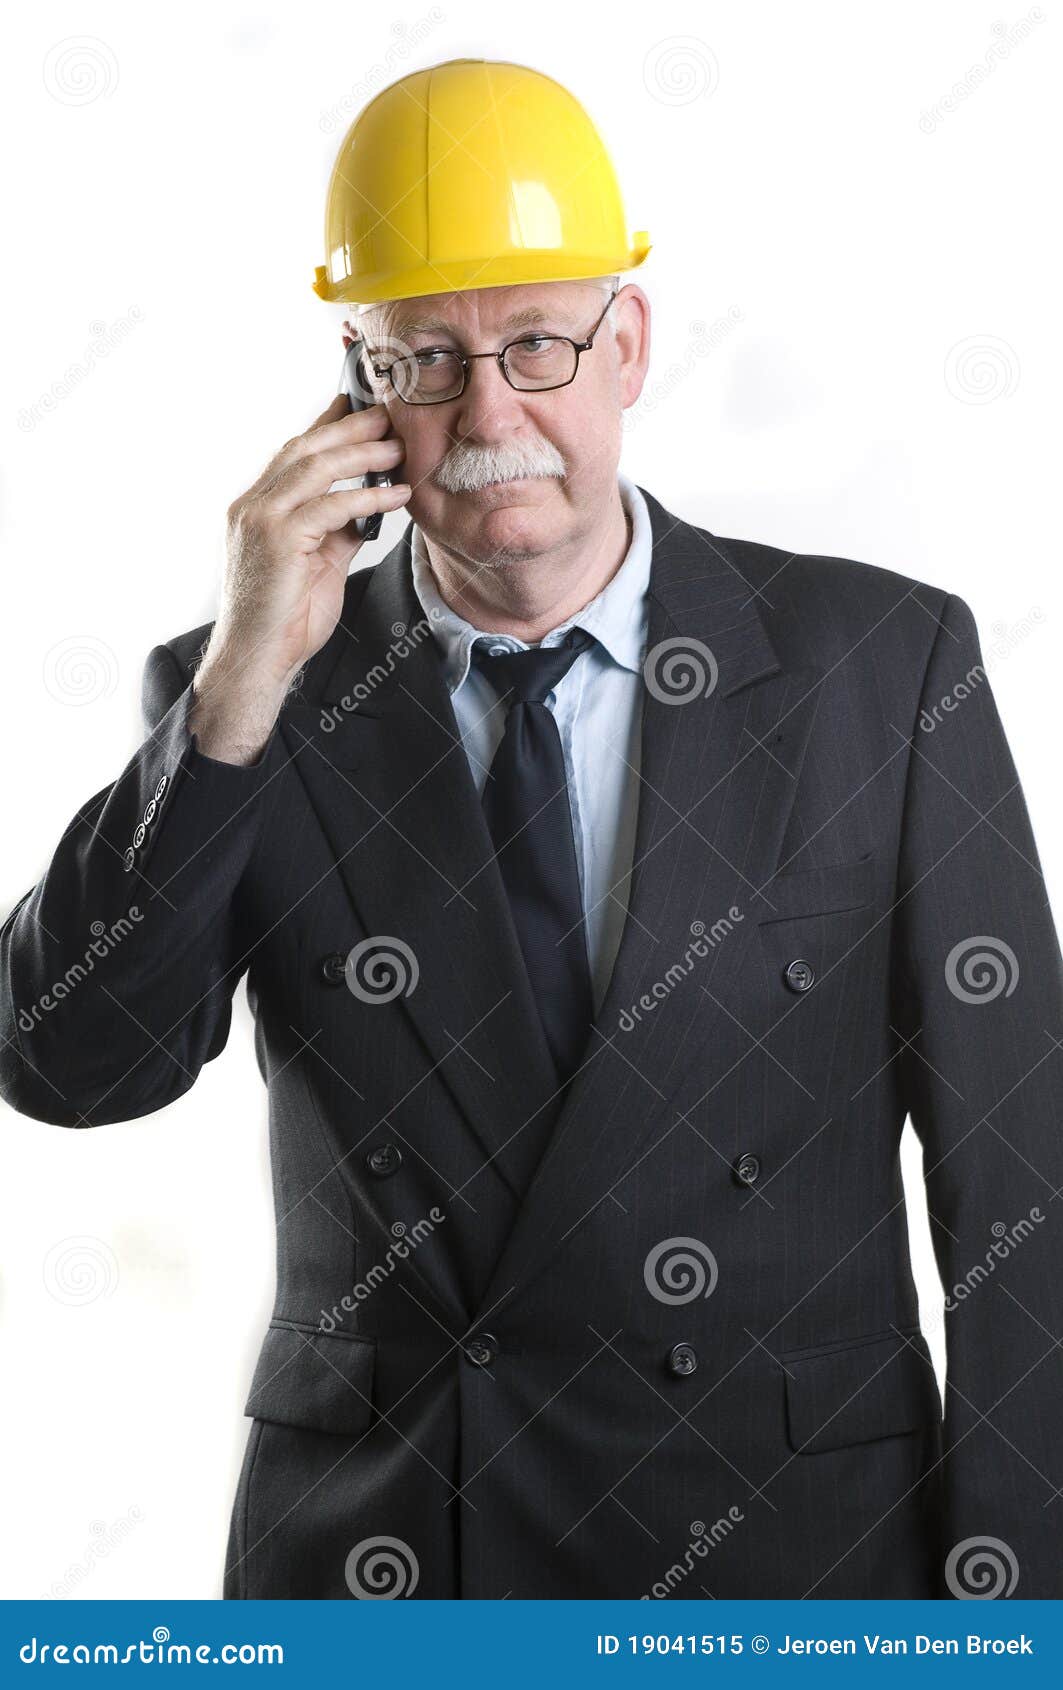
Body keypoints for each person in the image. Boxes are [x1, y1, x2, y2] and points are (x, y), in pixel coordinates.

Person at [3, 57, 1062, 1602]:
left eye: (537, 343)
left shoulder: (880, 667)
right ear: (359, 393)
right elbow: (69, 1066)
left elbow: (1020, 1181)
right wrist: (239, 687)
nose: (490, 411)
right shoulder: (252, 693)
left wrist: (1015, 1606)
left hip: (783, 1561)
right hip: (395, 1560)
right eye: (425, 359)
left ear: (628, 345)